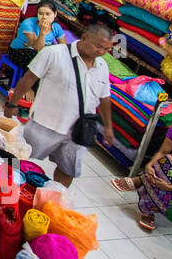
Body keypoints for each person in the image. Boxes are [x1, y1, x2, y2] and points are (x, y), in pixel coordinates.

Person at [7, 23, 116, 186]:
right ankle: (7, 189)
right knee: (17, 157)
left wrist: (108, 127)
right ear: (84, 37)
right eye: (98, 46)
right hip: (44, 123)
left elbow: (104, 97)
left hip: (78, 130)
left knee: (67, 170)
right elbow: (29, 78)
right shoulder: (54, 53)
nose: (101, 52)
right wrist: (12, 103)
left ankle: (56, 195)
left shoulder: (102, 66)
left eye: (106, 49)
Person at [7, 2, 66, 71]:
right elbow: (37, 48)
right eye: (40, 14)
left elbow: (63, 47)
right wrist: (42, 32)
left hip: (42, 52)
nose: (44, 17)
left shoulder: (56, 27)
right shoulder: (28, 23)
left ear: (55, 14)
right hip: (20, 51)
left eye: (48, 14)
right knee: (39, 63)